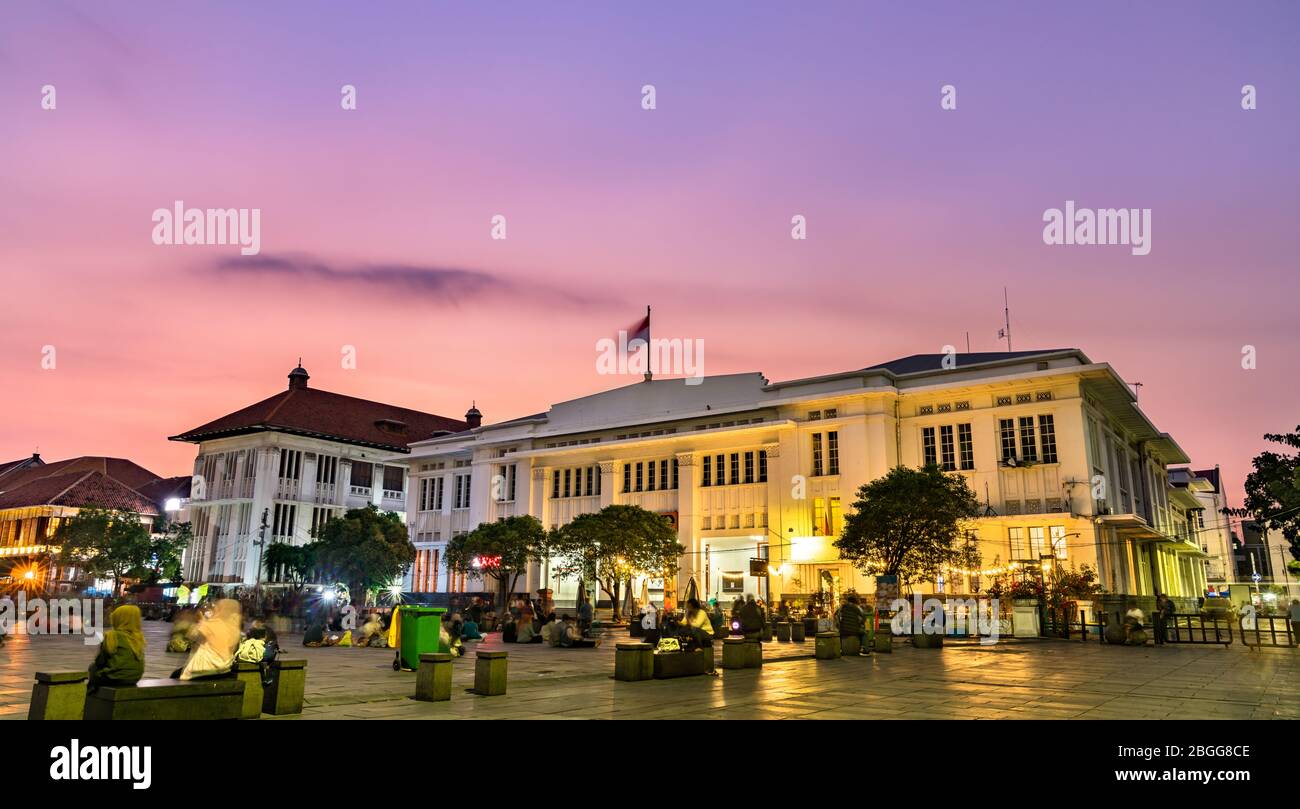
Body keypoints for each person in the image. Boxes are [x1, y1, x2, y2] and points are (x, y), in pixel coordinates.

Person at [173, 599, 241, 680]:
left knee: (175, 675)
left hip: (204, 670)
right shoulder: (234, 628)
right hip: (224, 669)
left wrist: (197, 619)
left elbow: (193, 634)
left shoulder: (214, 623)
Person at [88, 605, 145, 691]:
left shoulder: (112, 636)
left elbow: (100, 661)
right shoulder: (138, 638)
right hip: (135, 677)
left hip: (115, 678)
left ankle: (90, 694)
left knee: (93, 668)